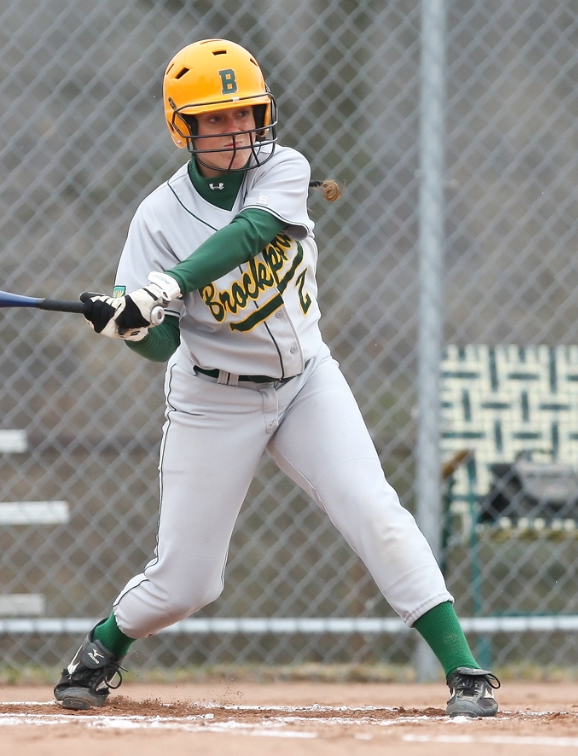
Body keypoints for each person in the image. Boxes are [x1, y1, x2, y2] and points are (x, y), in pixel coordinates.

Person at [54, 39, 499, 718]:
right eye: (217, 119)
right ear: (186, 128)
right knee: (187, 583)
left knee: (372, 508)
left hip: (305, 382)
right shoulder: (157, 218)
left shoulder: (283, 170)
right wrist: (132, 324)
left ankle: (464, 669)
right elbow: (166, 343)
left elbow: (252, 233)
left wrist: (166, 286)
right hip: (211, 399)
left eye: (246, 114)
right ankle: (103, 646)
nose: (237, 130)